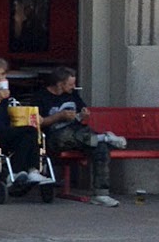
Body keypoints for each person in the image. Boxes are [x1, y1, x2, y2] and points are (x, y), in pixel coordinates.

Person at [32, 66, 125, 207]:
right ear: (59, 84)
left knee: (100, 148)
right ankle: (104, 137)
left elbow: (80, 117)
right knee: (72, 136)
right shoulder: (41, 97)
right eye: (70, 84)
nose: (74, 87)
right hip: (54, 137)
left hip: (80, 134)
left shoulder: (72, 95)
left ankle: (101, 194)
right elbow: (38, 123)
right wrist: (59, 116)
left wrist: (82, 116)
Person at [0, 57, 47, 183]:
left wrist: (30, 115)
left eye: (3, 74)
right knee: (28, 132)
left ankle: (31, 170)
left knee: (31, 133)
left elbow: (13, 111)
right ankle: (17, 170)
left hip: (6, 128)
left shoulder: (7, 91)